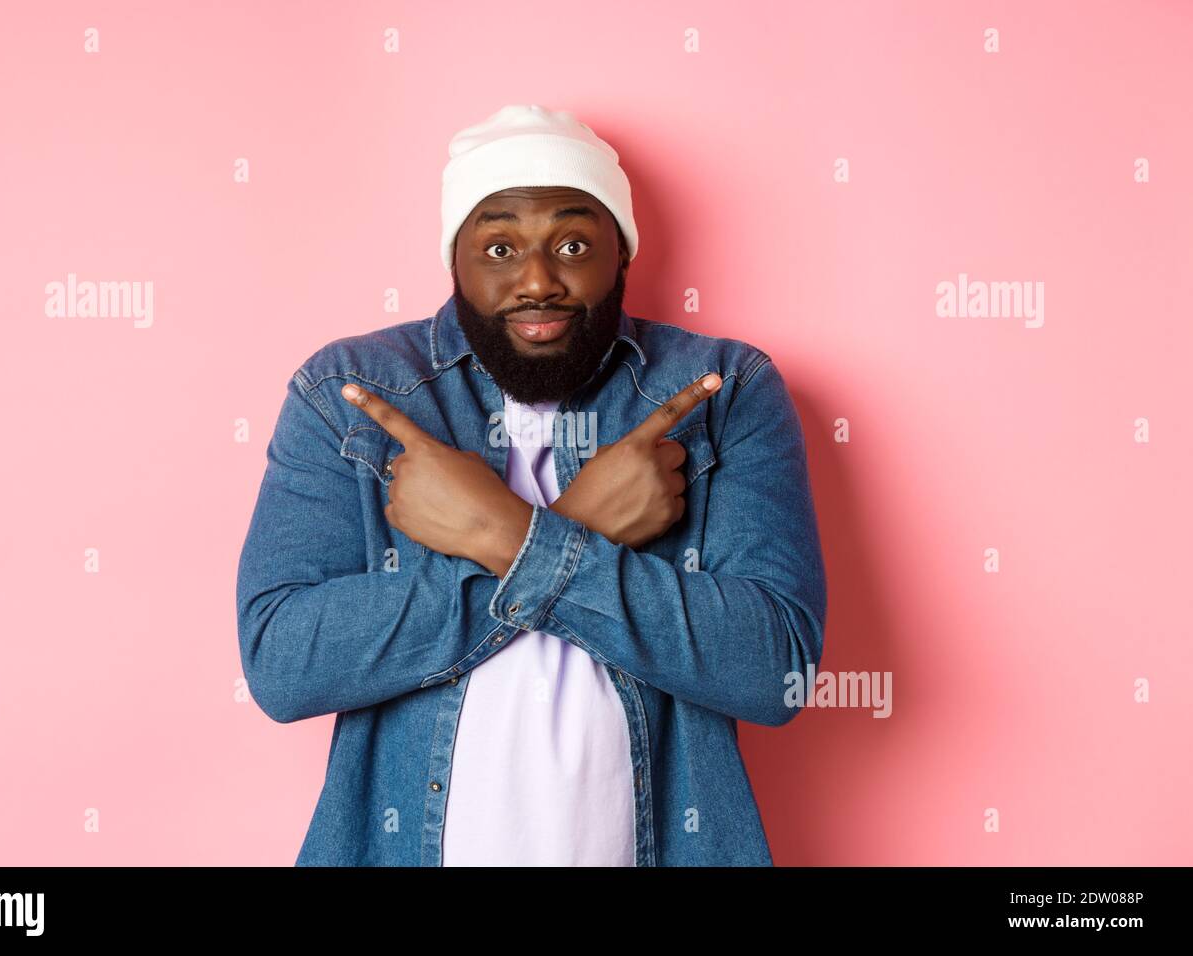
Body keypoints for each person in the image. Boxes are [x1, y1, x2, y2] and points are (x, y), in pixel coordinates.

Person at [235, 104, 827, 866]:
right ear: (455, 261)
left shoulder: (723, 389)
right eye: (500, 245)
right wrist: (574, 529)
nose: (538, 280)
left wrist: (505, 535)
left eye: (574, 243)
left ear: (623, 256)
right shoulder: (350, 390)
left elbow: (775, 668)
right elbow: (282, 667)